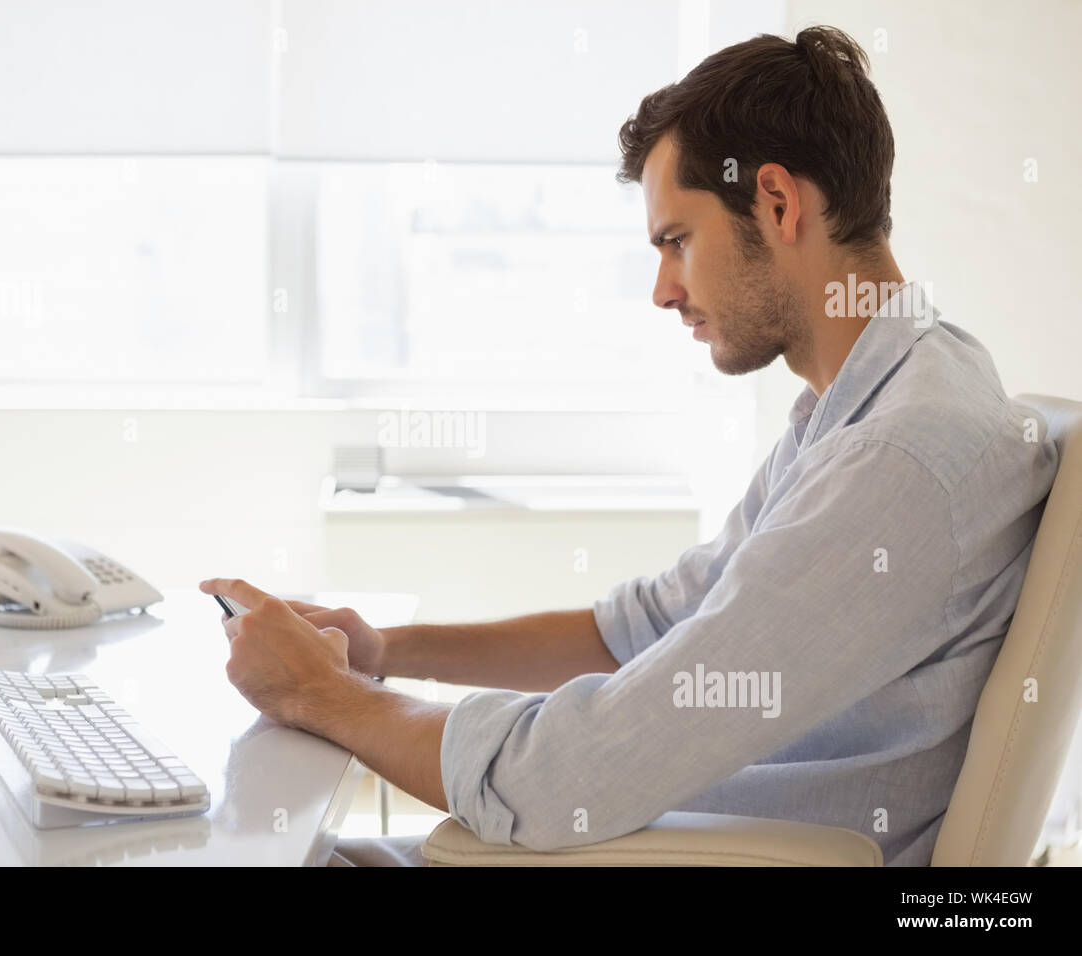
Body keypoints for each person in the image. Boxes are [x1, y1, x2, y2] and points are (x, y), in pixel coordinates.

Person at [201, 25, 1059, 867]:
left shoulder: (895, 462)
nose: (662, 290)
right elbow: (647, 625)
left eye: (677, 240)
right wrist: (389, 650)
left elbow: (558, 778)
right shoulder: (869, 401)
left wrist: (322, 694)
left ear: (777, 202)